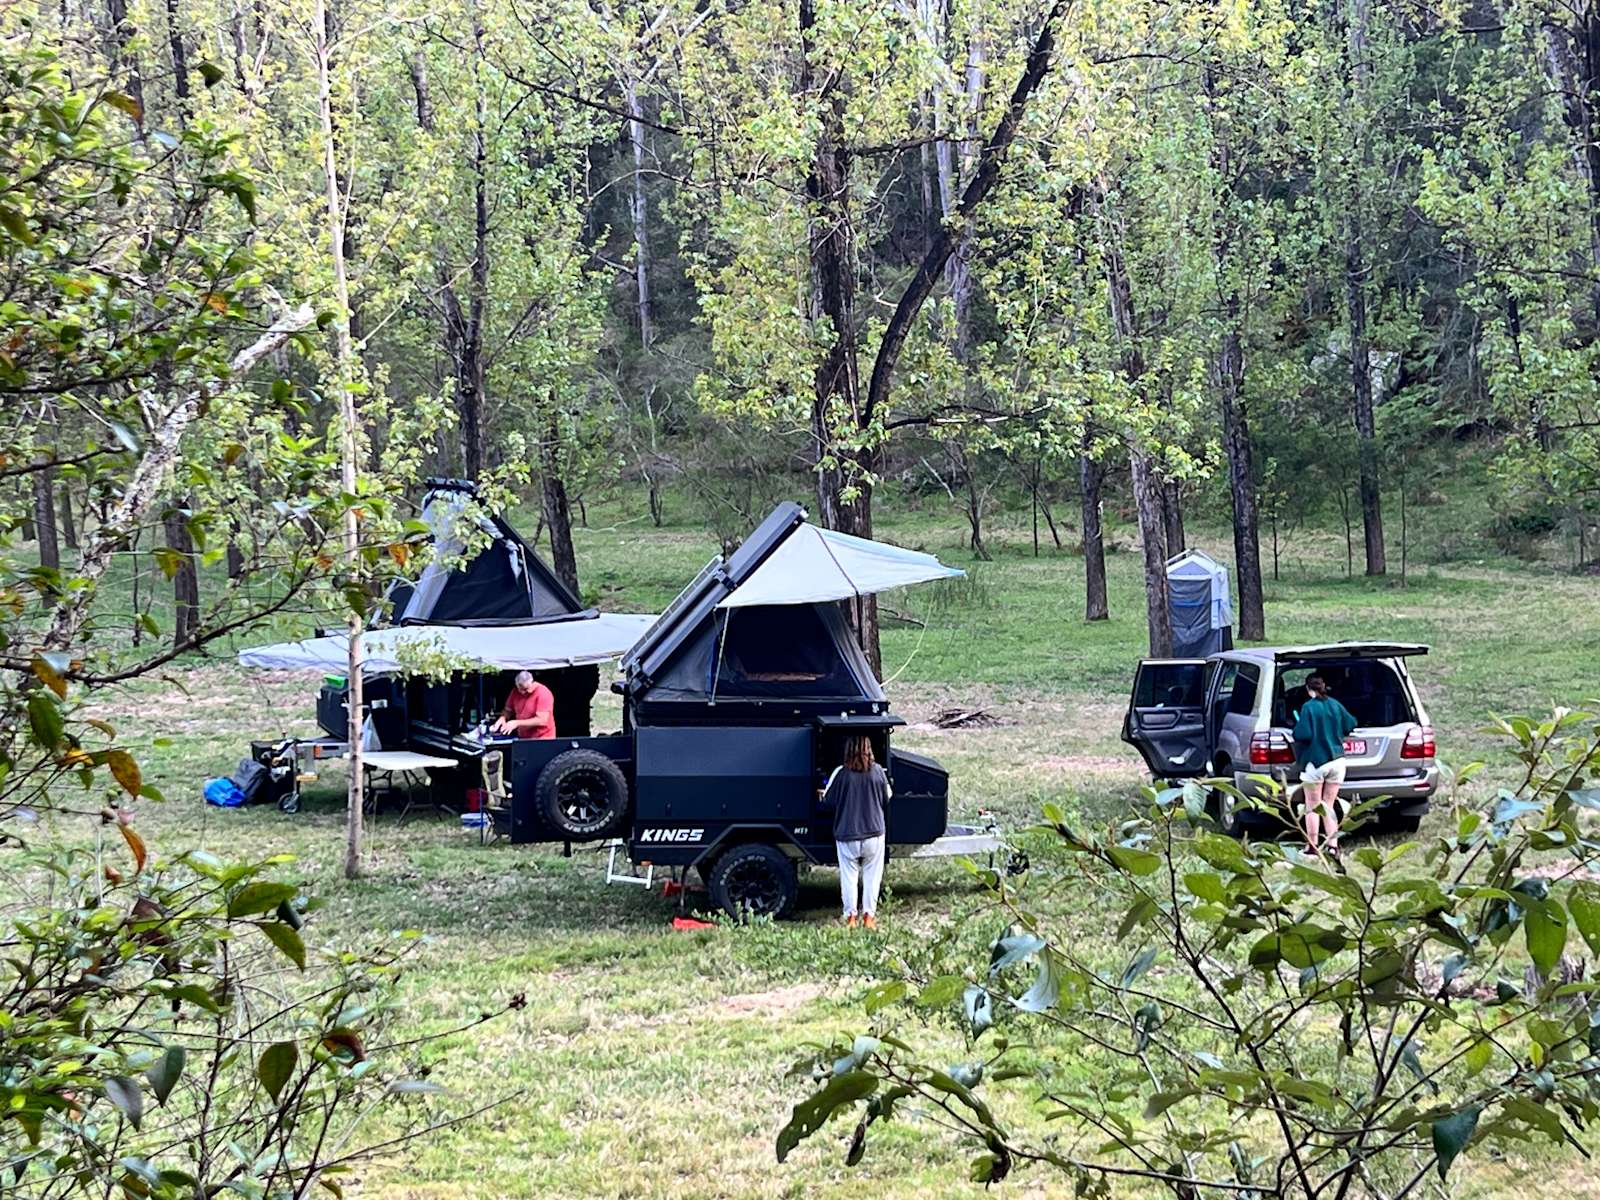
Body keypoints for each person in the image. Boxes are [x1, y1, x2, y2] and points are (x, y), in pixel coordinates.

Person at [821, 735, 893, 929]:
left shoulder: (840, 773)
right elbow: (887, 797)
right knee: (872, 876)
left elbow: (827, 800)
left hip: (847, 834)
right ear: (870, 750)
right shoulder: (878, 772)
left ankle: (851, 917)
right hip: (874, 833)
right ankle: (869, 917)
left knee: (849, 876)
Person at [1293, 673, 1357, 857]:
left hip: (1316, 762)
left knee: (1312, 805)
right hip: (1337, 761)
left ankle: (1312, 846)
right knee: (1328, 805)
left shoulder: (1308, 708)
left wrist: (1295, 728)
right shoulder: (1335, 705)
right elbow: (1350, 723)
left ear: (1308, 689)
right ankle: (1333, 845)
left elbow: (1303, 734)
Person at [490, 671, 555, 739]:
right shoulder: (515, 691)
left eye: (525, 689)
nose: (522, 692)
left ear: (531, 682)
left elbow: (542, 720)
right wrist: (502, 718)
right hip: (523, 737)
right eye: (520, 689)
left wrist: (516, 723)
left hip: (543, 738)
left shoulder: (543, 693)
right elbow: (508, 710)